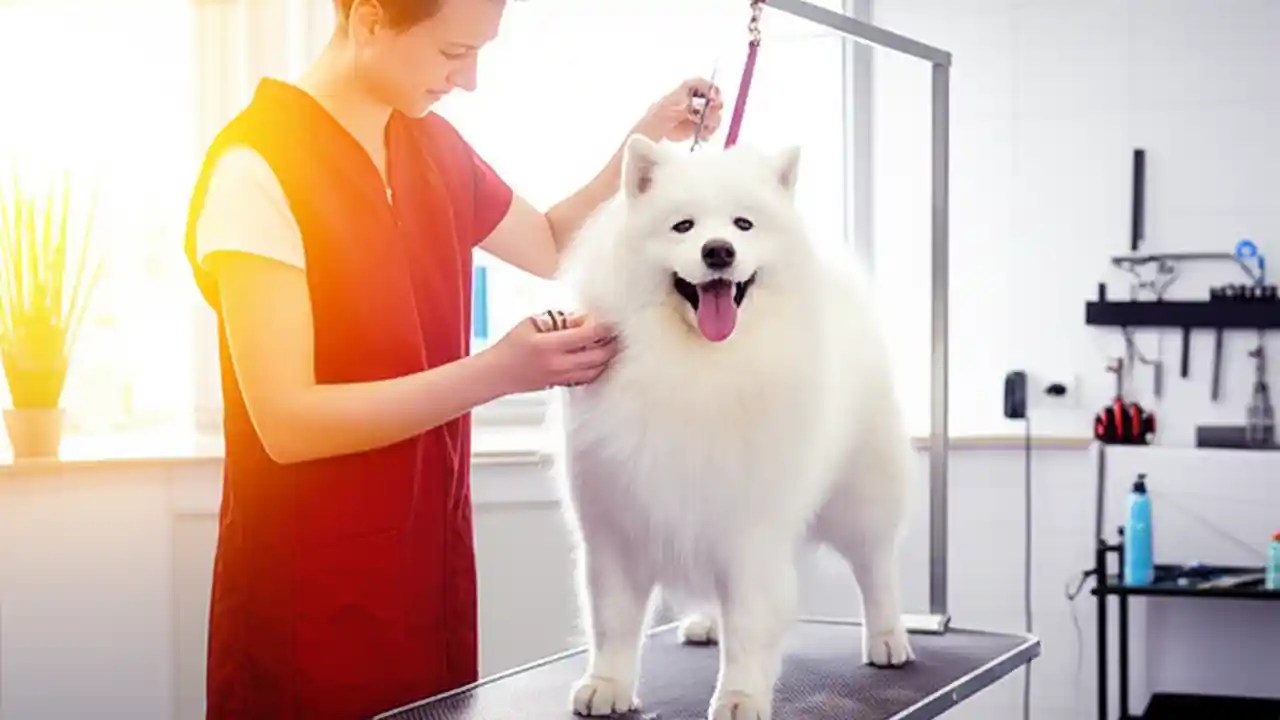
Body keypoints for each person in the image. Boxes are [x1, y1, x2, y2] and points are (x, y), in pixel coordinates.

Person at [183, 0, 722, 717]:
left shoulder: (432, 149)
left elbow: (551, 241)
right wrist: (502, 371)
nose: (467, 80)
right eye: (450, 53)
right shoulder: (255, 170)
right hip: (306, 596)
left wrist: (645, 140)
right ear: (370, 20)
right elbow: (288, 422)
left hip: (424, 574)